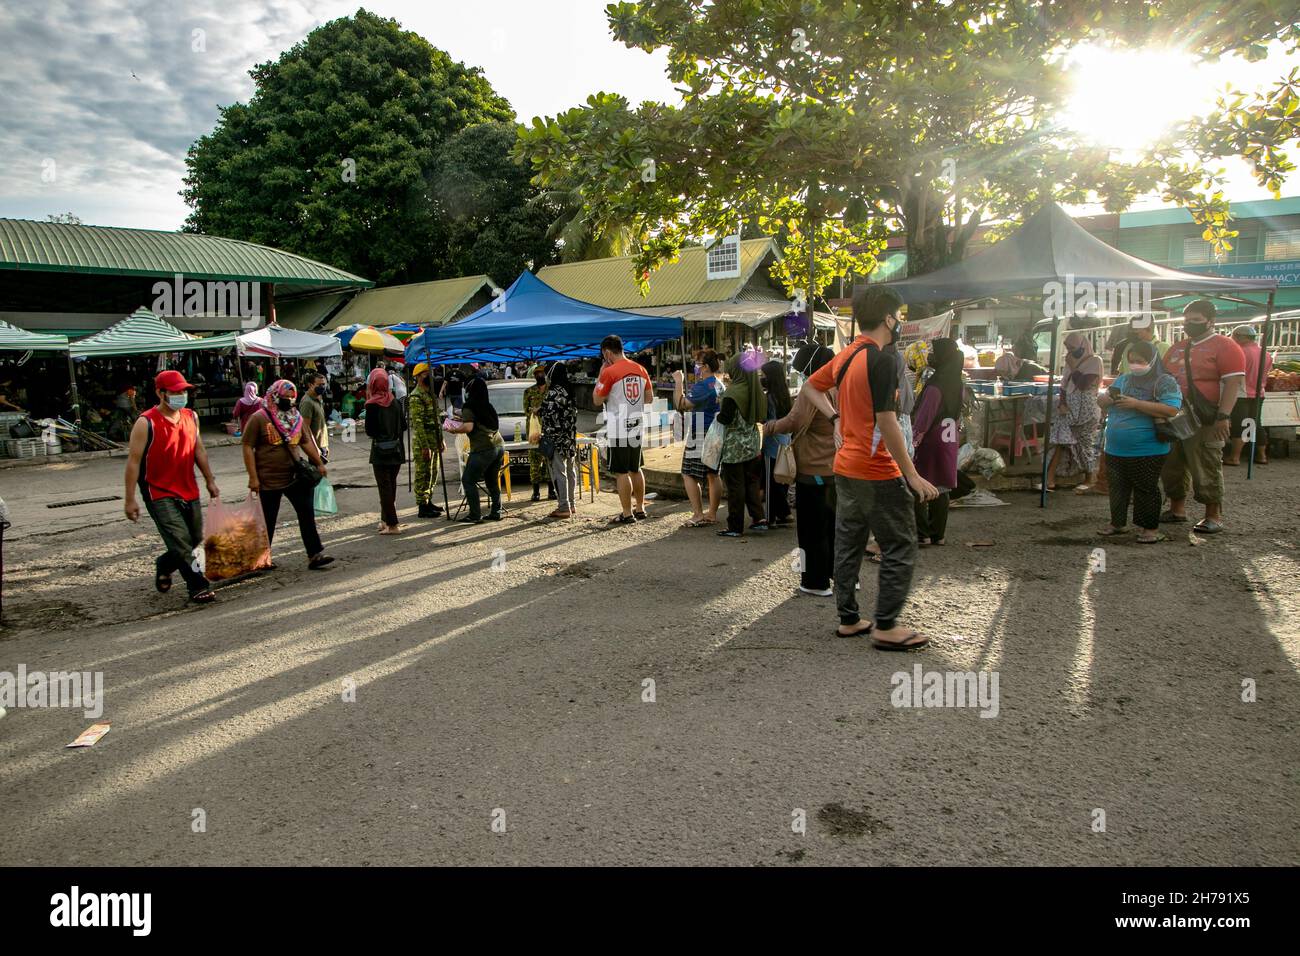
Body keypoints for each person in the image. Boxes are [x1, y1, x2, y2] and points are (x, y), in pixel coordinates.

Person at [802, 286, 938, 649]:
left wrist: (835, 418)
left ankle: (848, 619)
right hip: (877, 469)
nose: (901, 321)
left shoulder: (847, 355)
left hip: (845, 467)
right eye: (900, 315)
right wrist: (912, 474)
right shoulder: (881, 359)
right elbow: (888, 421)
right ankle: (886, 626)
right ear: (889, 318)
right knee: (901, 544)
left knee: (848, 543)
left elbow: (810, 388)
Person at [123, 370, 220, 603]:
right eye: (175, 392)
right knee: (180, 540)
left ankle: (164, 564)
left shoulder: (190, 417)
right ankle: (197, 586)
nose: (181, 395)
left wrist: (210, 480)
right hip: (158, 492)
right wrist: (130, 499)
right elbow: (133, 462)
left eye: (183, 391)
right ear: (160, 393)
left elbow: (199, 451)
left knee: (195, 539)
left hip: (189, 488)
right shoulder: (145, 422)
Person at [1160, 300, 1246, 534]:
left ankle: (1213, 515)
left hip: (1206, 417)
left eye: (1196, 321)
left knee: (1205, 462)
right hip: (1175, 415)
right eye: (1187, 321)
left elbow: (1232, 384)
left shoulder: (1226, 347)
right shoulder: (1177, 347)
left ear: (1210, 321)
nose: (1190, 324)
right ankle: (1177, 508)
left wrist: (1223, 416)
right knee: (1172, 463)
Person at [766, 343, 837, 595]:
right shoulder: (841, 386)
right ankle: (839, 574)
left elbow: (793, 421)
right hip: (837, 467)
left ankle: (814, 582)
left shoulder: (813, 389)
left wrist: (769, 427)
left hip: (813, 466)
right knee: (834, 526)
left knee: (811, 528)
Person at [241, 379, 334, 568]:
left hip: (295, 476)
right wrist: (253, 477)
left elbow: (305, 442)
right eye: (285, 397)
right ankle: (261, 559)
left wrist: (318, 463)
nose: (289, 401)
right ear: (274, 395)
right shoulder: (260, 417)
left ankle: (314, 554)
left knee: (306, 514)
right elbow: (247, 446)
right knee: (268, 519)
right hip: (269, 478)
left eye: (292, 398)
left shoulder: (295, 416)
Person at [1096, 340, 1182, 543]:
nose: (1135, 364)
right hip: (1115, 447)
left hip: (1147, 446)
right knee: (1117, 487)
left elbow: (1171, 409)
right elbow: (1102, 400)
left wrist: (1136, 404)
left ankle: (1149, 529)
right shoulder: (1124, 379)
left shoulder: (1164, 381)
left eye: (1140, 361)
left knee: (1146, 488)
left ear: (1152, 359)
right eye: (1132, 360)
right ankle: (1117, 524)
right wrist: (1107, 399)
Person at [593, 334, 653, 525]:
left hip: (618, 426)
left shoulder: (609, 372)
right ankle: (640, 508)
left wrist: (600, 377)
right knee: (636, 468)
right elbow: (649, 398)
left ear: (607, 352)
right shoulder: (641, 369)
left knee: (621, 472)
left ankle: (627, 513)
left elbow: (596, 400)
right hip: (636, 423)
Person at [910, 338, 964, 547]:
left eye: (935, 352)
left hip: (932, 440)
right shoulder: (957, 382)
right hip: (949, 438)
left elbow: (924, 418)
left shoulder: (935, 386)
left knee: (919, 484)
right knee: (942, 487)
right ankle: (938, 535)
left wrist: (914, 441)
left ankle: (922, 533)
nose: (931, 356)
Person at [715, 351, 767, 537]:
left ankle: (735, 526)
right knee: (752, 482)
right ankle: (759, 518)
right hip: (753, 444)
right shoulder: (755, 390)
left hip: (734, 448)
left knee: (736, 486)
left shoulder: (732, 393)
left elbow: (726, 419)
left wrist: (718, 414)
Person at [1044, 332, 1103, 493]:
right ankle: (1049, 477)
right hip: (1069, 408)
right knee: (1060, 440)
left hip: (1086, 411)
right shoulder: (1068, 361)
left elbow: (1083, 384)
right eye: (1068, 348)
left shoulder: (1094, 361)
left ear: (1083, 346)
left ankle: (1090, 477)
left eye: (1073, 348)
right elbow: (1064, 385)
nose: (1070, 351)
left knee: (1084, 444)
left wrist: (1074, 365)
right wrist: (1062, 403)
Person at [672, 349, 724, 527]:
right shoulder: (719, 384)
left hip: (700, 433)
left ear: (706, 367)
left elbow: (681, 404)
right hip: (716, 431)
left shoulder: (703, 386)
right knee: (713, 474)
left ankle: (697, 514)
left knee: (688, 474)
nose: (696, 367)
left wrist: (679, 382)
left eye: (698, 364)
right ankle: (712, 513)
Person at [445, 376, 504, 523]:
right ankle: (496, 512)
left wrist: (454, 430)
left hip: (483, 448)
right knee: (492, 481)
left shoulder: (469, 405)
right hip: (498, 446)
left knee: (468, 480)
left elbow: (469, 427)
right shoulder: (488, 406)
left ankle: (475, 514)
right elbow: (477, 422)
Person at [363, 368, 406, 534]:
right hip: (396, 450)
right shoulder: (395, 402)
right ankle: (385, 520)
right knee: (390, 487)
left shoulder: (372, 405)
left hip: (380, 453)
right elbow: (404, 426)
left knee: (385, 488)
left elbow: (370, 431)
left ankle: (393, 525)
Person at [1226, 325, 1272, 466]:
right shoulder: (1265, 353)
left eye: (1233, 336)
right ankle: (1262, 456)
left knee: (1241, 424)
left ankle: (1235, 457)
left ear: (1241, 337)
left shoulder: (1240, 352)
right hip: (1259, 393)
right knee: (1256, 423)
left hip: (1242, 394)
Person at [539, 362, 579, 519]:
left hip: (556, 439)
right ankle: (571, 504)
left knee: (559, 473)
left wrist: (540, 412)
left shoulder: (552, 394)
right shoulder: (569, 390)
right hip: (569, 438)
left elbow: (549, 418)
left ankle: (563, 507)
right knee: (571, 471)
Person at [760, 359, 794, 527]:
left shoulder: (769, 398)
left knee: (770, 483)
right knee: (781, 480)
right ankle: (783, 513)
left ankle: (770, 517)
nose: (761, 378)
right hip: (785, 443)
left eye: (763, 375)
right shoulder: (786, 396)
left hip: (771, 445)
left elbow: (766, 420)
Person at [409, 362, 445, 518]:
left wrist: (441, 439)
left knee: (433, 472)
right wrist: (425, 447)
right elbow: (418, 424)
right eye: (425, 373)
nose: (429, 376)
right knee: (423, 473)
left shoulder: (429, 392)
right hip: (423, 443)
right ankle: (422, 506)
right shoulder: (416, 396)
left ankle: (428, 500)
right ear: (417, 377)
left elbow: (436, 419)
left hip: (434, 441)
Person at [523, 364, 554, 502]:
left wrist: (543, 409)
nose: (539, 375)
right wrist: (534, 410)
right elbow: (525, 410)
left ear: (545, 374)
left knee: (549, 461)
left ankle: (551, 491)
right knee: (534, 462)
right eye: (536, 374)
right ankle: (535, 492)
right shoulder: (528, 391)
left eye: (541, 373)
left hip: (549, 430)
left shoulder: (552, 391)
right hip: (534, 431)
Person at [299, 372, 329, 463]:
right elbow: (305, 429)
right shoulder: (307, 402)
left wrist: (325, 446)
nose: (322, 387)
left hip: (322, 445)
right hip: (316, 448)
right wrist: (315, 449)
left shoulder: (318, 398)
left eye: (324, 384)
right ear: (310, 385)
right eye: (319, 385)